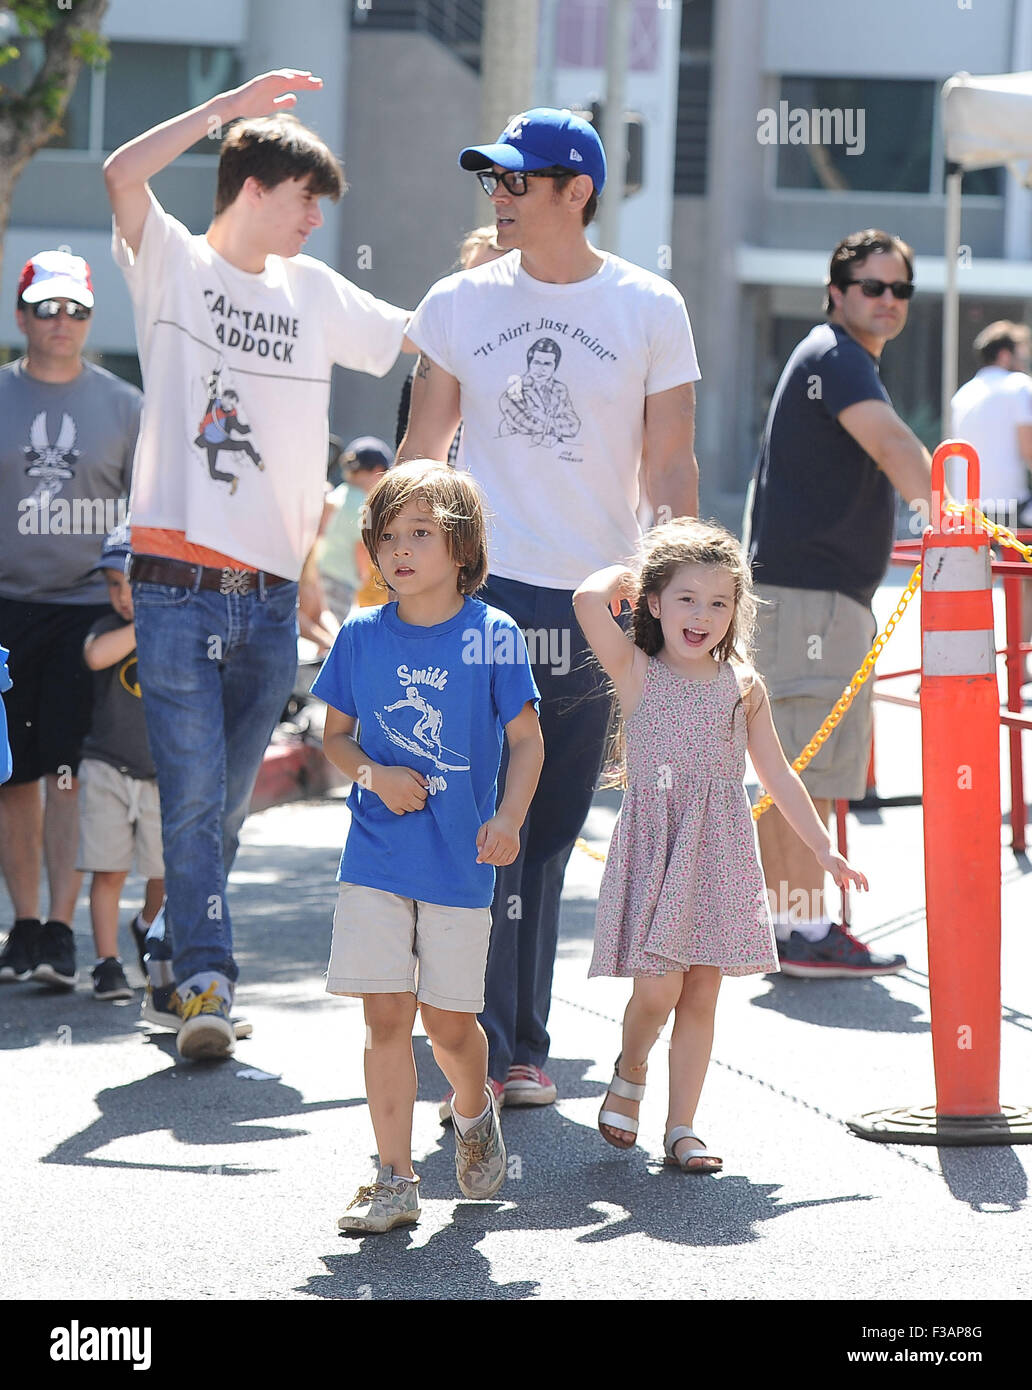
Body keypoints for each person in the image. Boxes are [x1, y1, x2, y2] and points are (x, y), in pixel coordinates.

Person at [103, 69, 413, 1059]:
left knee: (222, 806)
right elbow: (119, 170)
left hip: (271, 603)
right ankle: (205, 983)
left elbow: (419, 337)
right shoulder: (174, 268)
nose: (318, 219)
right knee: (194, 797)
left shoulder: (313, 290)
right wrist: (221, 110)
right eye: (304, 198)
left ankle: (165, 945)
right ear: (251, 189)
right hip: (176, 589)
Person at [399, 107, 700, 1114]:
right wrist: (402, 568)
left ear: (577, 191)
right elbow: (422, 446)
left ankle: (504, 1027)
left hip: (597, 596)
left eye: (518, 180)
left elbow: (669, 462)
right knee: (489, 814)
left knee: (554, 824)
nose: (499, 193)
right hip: (482, 591)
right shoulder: (457, 300)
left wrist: (675, 597)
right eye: (492, 178)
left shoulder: (650, 304)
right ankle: (504, 1042)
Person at [574, 519, 868, 1169]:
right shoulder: (637, 670)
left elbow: (780, 777)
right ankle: (631, 1065)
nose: (702, 615)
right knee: (658, 990)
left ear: (737, 610)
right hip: (659, 849)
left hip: (720, 855)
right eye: (685, 599)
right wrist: (626, 576)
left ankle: (682, 1128)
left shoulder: (743, 688)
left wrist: (823, 849)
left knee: (702, 992)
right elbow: (587, 603)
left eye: (718, 602)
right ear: (655, 603)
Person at [313, 461, 543, 1233]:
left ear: (462, 546)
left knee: (448, 1025)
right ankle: (394, 1178)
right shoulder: (358, 634)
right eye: (388, 535)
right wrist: (375, 775)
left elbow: (527, 740)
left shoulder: (494, 635)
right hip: (375, 856)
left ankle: (473, 1111)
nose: (401, 549)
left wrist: (508, 816)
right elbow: (335, 740)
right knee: (386, 1016)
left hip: (461, 861)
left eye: (421, 533)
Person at [746, 229, 934, 979]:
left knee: (801, 769)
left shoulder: (840, 357)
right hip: (808, 602)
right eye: (871, 287)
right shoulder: (836, 357)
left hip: (810, 598)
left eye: (900, 290)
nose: (886, 301)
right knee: (805, 772)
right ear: (837, 291)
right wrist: (955, 525)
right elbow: (893, 447)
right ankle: (802, 932)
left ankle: (796, 926)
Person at [0, 250, 142, 990]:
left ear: (91, 317)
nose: (61, 322)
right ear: (21, 314)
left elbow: (150, 516)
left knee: (66, 774)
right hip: (5, 612)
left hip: (87, 614)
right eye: (47, 308)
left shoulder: (124, 406)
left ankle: (61, 928)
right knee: (10, 778)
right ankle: (21, 925)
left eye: (75, 310)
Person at [78, 527, 165, 1001]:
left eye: (133, 582)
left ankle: (150, 928)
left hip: (159, 771)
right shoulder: (106, 627)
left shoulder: (176, 628)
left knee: (162, 871)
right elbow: (96, 657)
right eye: (113, 585)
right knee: (107, 870)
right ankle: (106, 962)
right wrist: (143, 624)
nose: (123, 595)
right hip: (107, 766)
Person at [950, 321, 1032, 527]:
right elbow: (1029, 449)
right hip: (1010, 507)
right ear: (1005, 355)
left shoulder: (962, 395)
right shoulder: (1019, 385)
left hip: (966, 507)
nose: (1024, 363)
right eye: (1021, 356)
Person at [316, 435, 393, 622]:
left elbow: (320, 531)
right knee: (335, 625)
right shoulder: (366, 507)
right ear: (378, 471)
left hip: (323, 568)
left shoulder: (338, 493)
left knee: (322, 618)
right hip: (344, 577)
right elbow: (362, 545)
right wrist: (364, 573)